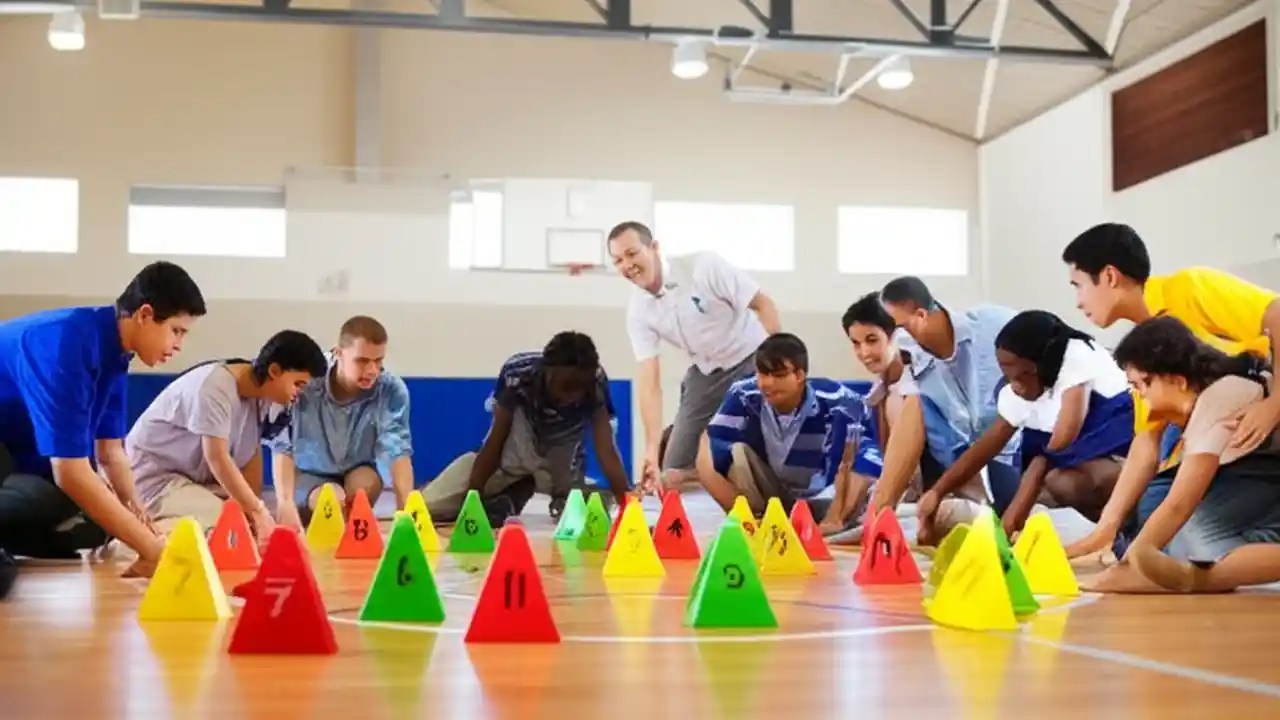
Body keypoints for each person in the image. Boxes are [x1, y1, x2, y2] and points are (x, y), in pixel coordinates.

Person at [1060, 223, 1280, 560]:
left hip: (1259, 437)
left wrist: (1274, 403)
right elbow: (1146, 442)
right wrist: (1104, 529)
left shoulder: (1191, 288)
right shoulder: (1141, 349)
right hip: (1219, 448)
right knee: (1148, 520)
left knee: (1190, 540)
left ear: (1109, 276)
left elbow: (1277, 316)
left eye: (1078, 286)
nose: (1077, 302)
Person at [0, 261, 206, 579]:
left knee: (102, 518)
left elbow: (110, 452)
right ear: (145, 315)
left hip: (19, 456)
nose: (179, 345)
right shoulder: (68, 342)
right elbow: (69, 473)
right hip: (8, 455)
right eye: (176, 331)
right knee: (70, 494)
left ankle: (14, 541)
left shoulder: (116, 353)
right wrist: (151, 549)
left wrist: (136, 511)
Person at [1088, 316, 1280, 593]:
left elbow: (1180, 503)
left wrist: (1132, 566)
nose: (1140, 397)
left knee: (1196, 540)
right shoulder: (1195, 407)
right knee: (1171, 532)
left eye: (1142, 385)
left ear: (1177, 380)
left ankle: (1206, 577)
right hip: (1254, 483)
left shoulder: (1224, 397)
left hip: (1266, 476)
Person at [919, 310, 1134, 539]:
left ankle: (1127, 526)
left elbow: (1062, 438)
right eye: (1008, 375)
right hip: (1074, 461)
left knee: (1054, 477)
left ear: (1043, 365)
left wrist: (1011, 520)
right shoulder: (1016, 393)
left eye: (1023, 375)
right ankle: (1115, 534)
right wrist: (938, 491)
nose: (1017, 387)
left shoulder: (1076, 356)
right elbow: (984, 448)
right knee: (1057, 483)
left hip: (1128, 457)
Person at [608, 221, 782, 496]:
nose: (626, 265)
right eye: (617, 260)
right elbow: (649, 383)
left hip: (752, 359)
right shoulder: (638, 311)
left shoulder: (703, 267)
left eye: (632, 253)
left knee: (754, 451)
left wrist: (773, 367)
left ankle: (738, 475)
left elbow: (764, 304)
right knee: (671, 472)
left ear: (654, 248)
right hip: (706, 373)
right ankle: (710, 470)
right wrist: (651, 451)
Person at [124, 330, 328, 547]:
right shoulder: (215, 388)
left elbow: (251, 455)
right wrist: (256, 511)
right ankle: (134, 541)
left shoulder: (263, 397)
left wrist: (253, 515)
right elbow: (217, 457)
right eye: (298, 384)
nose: (299, 393)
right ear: (274, 370)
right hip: (154, 479)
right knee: (224, 522)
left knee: (245, 522)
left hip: (194, 482)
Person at [422, 331, 630, 521]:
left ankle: (561, 498)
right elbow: (495, 439)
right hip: (513, 457)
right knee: (428, 507)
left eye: (579, 389)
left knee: (594, 516)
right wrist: (472, 498)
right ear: (545, 370)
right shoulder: (518, 374)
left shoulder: (596, 382)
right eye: (565, 386)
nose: (572, 395)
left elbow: (606, 450)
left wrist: (627, 507)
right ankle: (513, 492)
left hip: (562, 463)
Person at [879, 276, 1020, 544]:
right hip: (966, 457)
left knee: (1018, 523)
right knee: (914, 402)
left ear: (920, 316)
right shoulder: (915, 358)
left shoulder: (994, 325)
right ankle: (880, 513)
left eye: (898, 328)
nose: (896, 339)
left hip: (1016, 448)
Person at [696, 333, 881, 520]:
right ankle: (758, 517)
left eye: (778, 375)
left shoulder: (840, 401)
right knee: (721, 448)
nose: (767, 383)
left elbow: (868, 458)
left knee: (857, 459)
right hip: (768, 497)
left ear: (800, 375)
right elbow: (709, 451)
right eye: (762, 373)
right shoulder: (744, 395)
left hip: (827, 497)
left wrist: (835, 518)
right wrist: (742, 518)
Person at [267, 316, 414, 529]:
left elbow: (398, 451)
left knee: (361, 491)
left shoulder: (391, 389)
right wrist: (285, 503)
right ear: (338, 354)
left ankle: (352, 530)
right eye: (362, 361)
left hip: (359, 469)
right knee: (331, 500)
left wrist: (406, 511)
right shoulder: (305, 381)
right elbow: (282, 445)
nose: (372, 370)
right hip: (309, 473)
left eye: (378, 361)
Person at [841, 293, 928, 530]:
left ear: (896, 336)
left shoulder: (919, 387)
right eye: (856, 343)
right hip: (904, 500)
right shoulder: (878, 394)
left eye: (872, 340)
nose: (864, 352)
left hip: (936, 500)